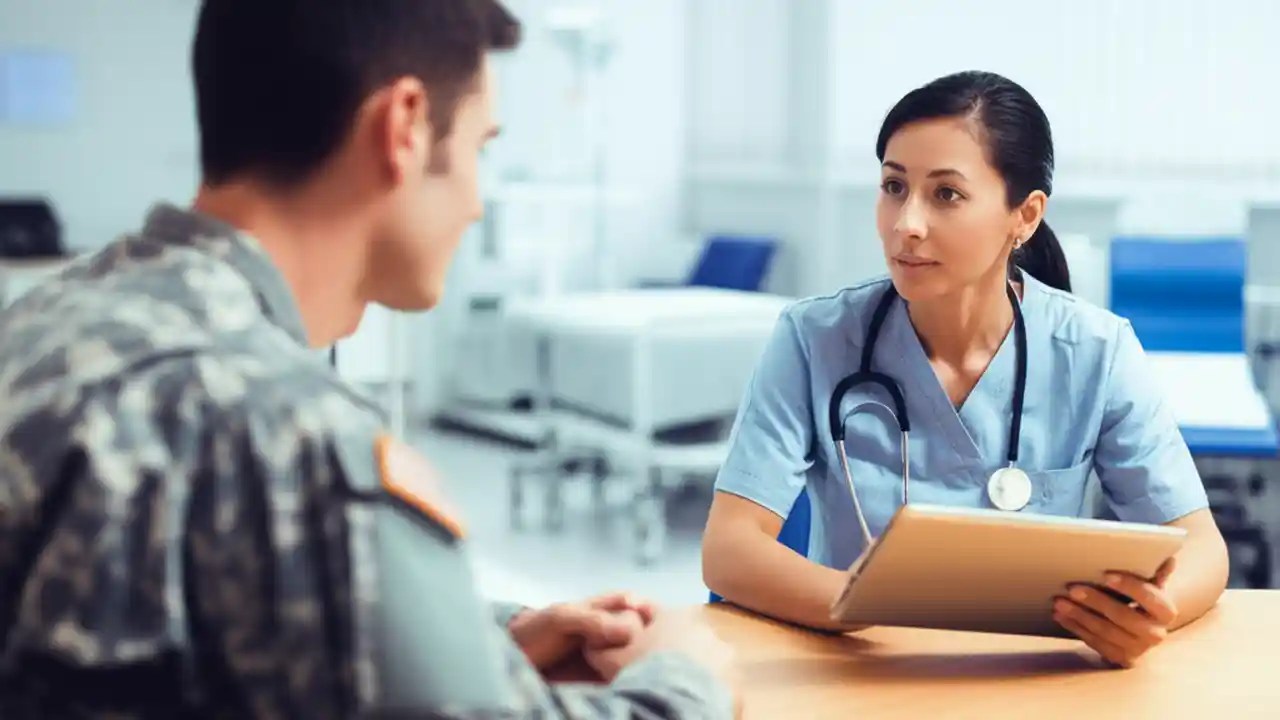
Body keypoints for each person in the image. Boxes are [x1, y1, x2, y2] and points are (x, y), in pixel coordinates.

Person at [0, 0, 738, 717]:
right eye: (479, 149)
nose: (477, 202)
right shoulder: (291, 435)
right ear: (404, 126)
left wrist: (481, 636)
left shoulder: (50, 320)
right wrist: (685, 677)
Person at [702, 70, 1229, 668]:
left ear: (1024, 216)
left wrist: (1150, 614)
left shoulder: (1095, 352)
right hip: (858, 671)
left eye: (946, 194)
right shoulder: (814, 339)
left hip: (1032, 679)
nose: (906, 223)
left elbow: (1202, 549)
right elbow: (730, 549)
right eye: (894, 186)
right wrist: (862, 601)